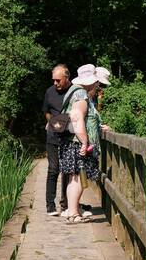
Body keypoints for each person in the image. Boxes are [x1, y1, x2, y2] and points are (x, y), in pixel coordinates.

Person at [58, 63, 108, 223]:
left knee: (75, 178)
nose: (97, 85)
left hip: (71, 142)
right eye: (95, 82)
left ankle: (73, 210)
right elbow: (76, 116)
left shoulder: (74, 92)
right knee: (77, 178)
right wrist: (85, 142)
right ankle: (73, 213)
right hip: (77, 143)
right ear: (89, 82)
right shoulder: (80, 94)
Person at [42, 64, 73, 215]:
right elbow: (46, 112)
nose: (55, 83)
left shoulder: (75, 92)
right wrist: (53, 122)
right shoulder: (49, 91)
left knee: (68, 170)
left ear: (66, 78)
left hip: (69, 137)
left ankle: (67, 204)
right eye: (53, 80)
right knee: (53, 169)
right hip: (53, 135)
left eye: (58, 80)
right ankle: (50, 205)